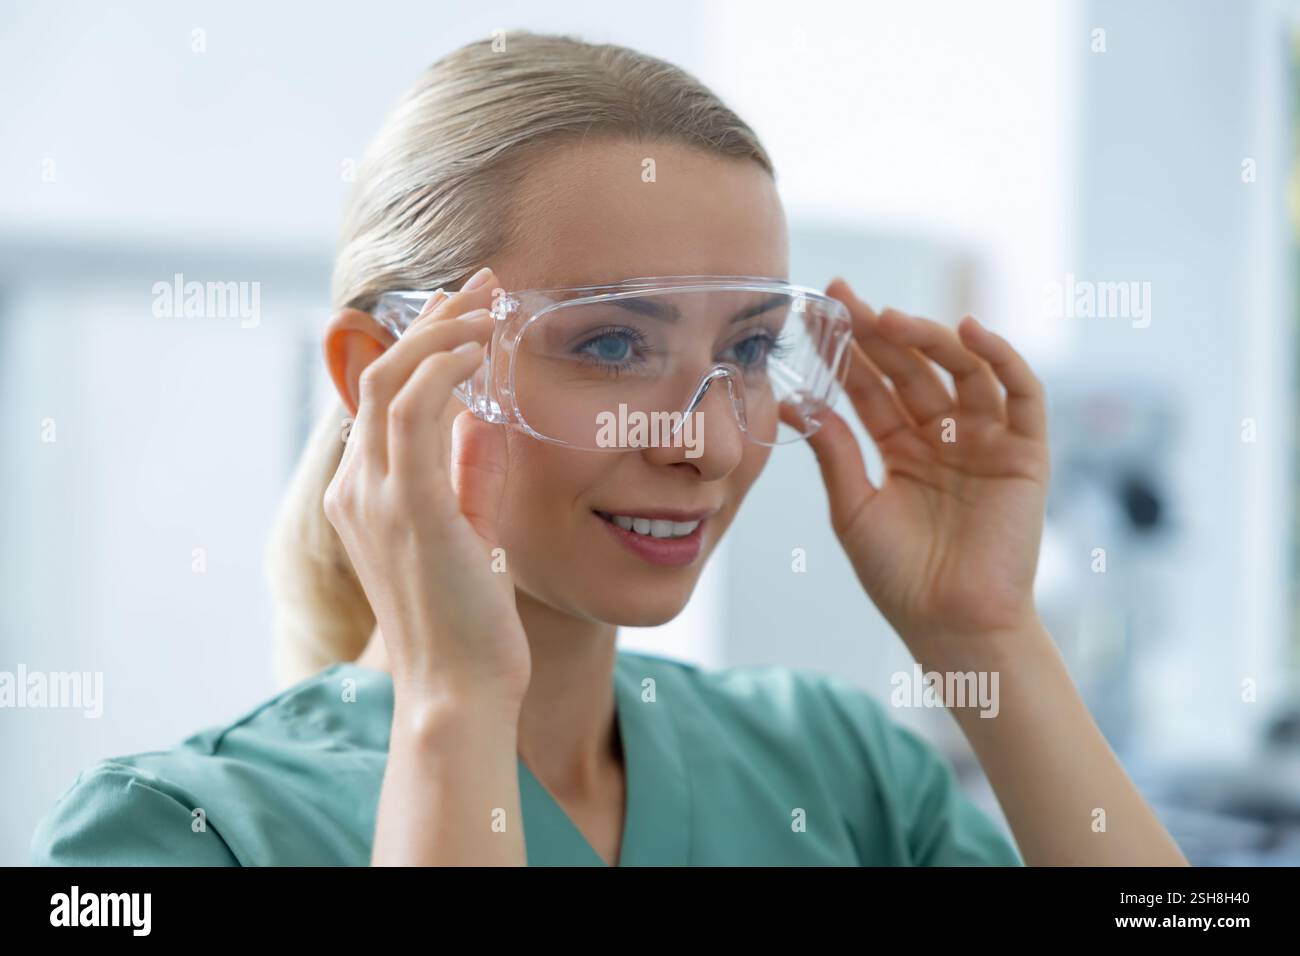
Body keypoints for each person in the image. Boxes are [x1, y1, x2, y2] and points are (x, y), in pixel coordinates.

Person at [30, 32, 1187, 867]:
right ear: (370, 374)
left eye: (747, 348)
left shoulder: (835, 771)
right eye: (612, 342)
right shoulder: (165, 835)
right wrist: (456, 709)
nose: (705, 445)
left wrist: (985, 632)